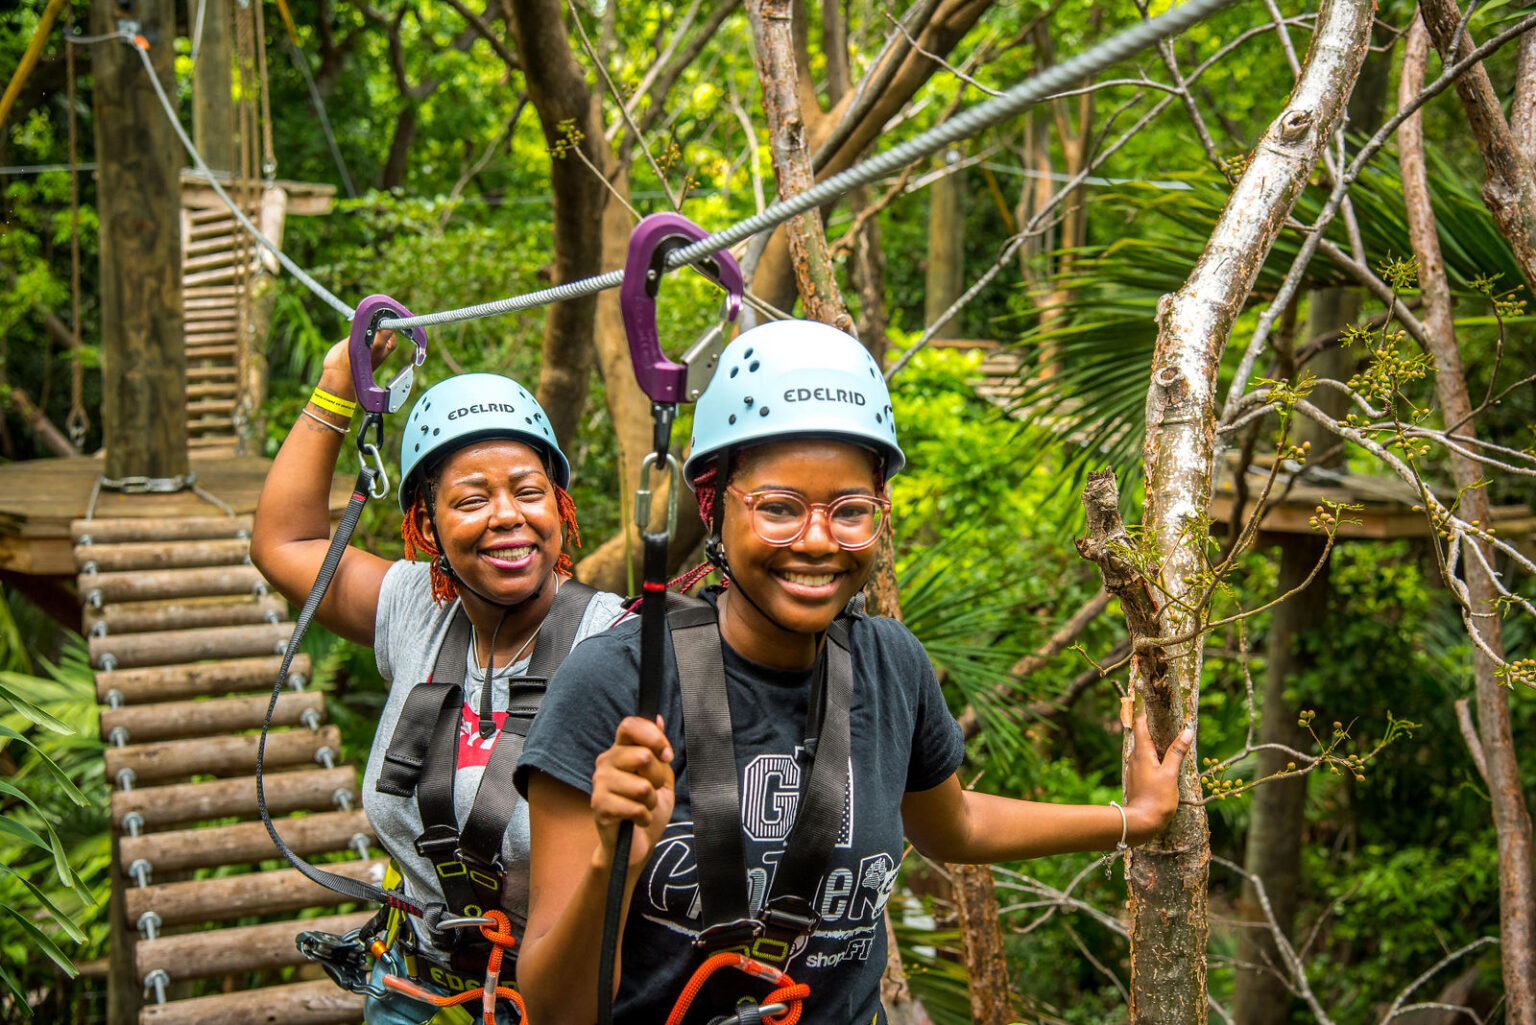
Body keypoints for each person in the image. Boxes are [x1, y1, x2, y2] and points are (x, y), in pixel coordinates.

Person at [511, 319, 1195, 1025]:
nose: (816, 541)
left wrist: (1132, 818)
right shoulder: (617, 683)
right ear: (717, 511)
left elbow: (953, 825)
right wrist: (610, 863)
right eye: (778, 508)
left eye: (850, 511)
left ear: (881, 514)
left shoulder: (890, 663)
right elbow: (558, 1008)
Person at [250, 331, 626, 1025]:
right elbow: (285, 543)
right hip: (409, 987)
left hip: (545, 1002)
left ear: (561, 507)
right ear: (426, 523)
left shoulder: (614, 643)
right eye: (472, 498)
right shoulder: (415, 608)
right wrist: (339, 384)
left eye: (528, 491)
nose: (507, 516)